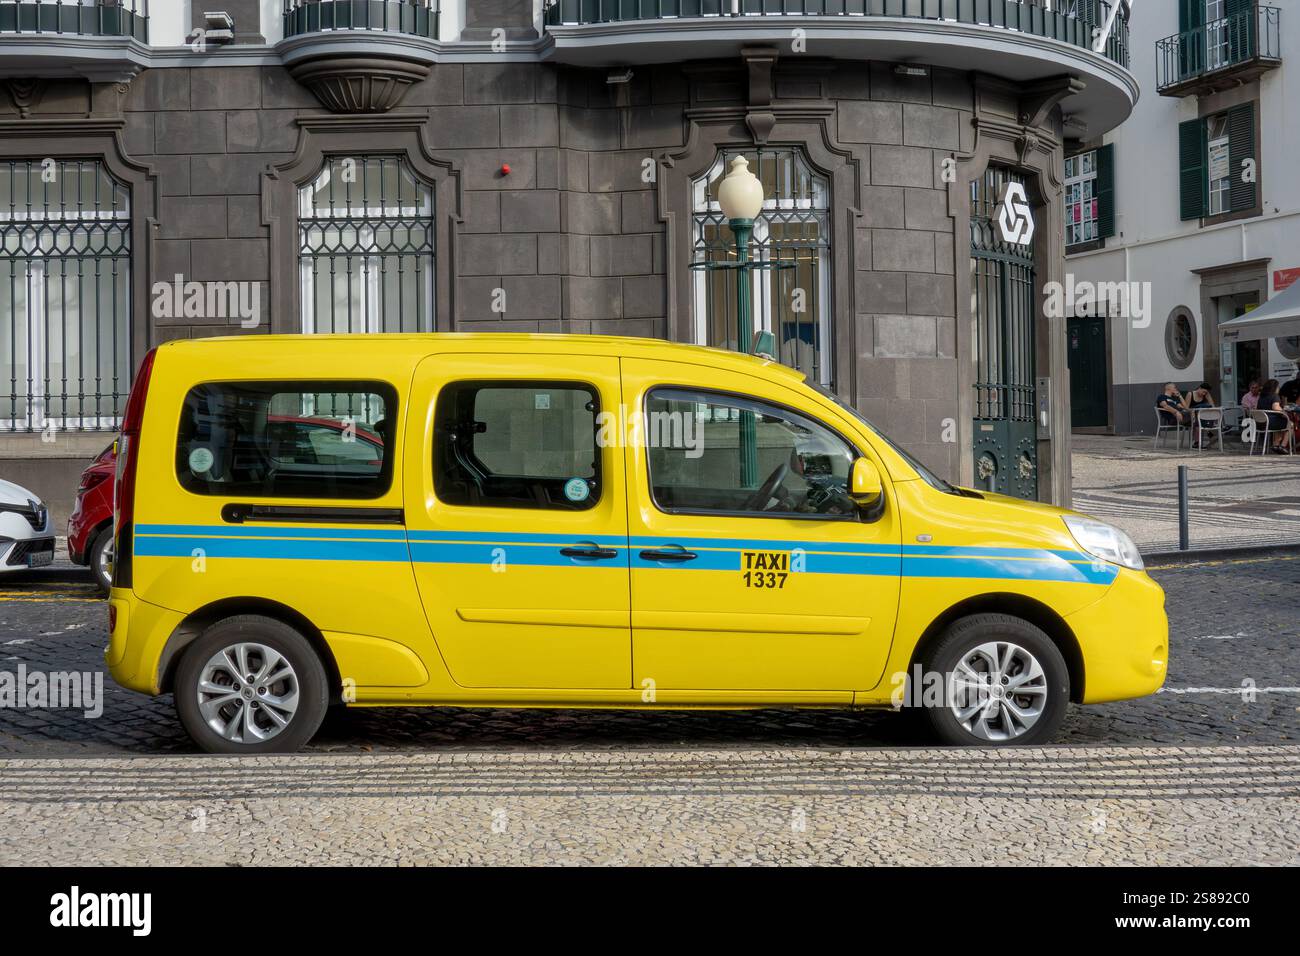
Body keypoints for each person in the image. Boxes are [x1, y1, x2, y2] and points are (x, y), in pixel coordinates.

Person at [1256, 379, 1293, 454]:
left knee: (1279, 423)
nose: (1279, 388)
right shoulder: (1274, 396)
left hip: (1260, 423)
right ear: (1274, 388)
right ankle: (1283, 446)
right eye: (1278, 387)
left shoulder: (1261, 397)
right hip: (1270, 423)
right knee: (1291, 424)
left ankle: (1276, 445)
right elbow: (1275, 407)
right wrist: (1284, 412)